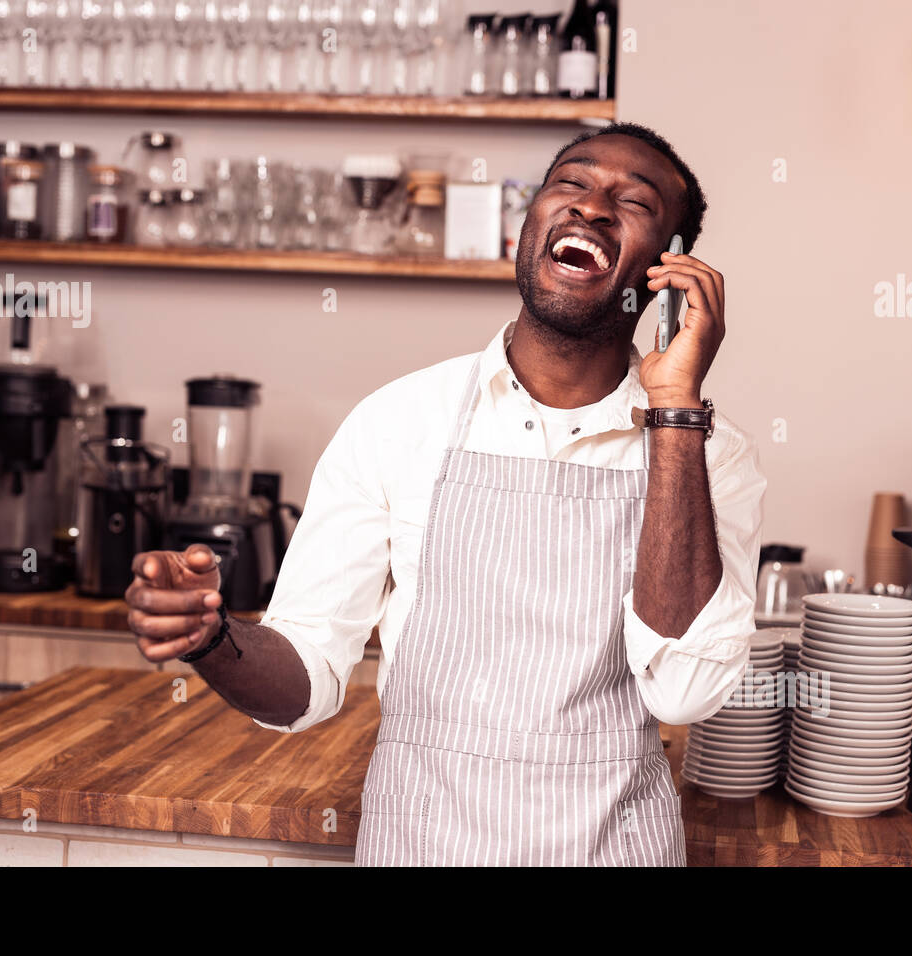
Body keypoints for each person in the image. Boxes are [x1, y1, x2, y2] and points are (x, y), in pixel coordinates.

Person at [125, 121, 767, 866]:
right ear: (525, 227)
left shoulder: (709, 454)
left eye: (633, 201)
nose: (591, 207)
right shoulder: (399, 420)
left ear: (668, 268)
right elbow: (307, 677)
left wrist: (675, 411)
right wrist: (211, 638)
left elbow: (686, 693)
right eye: (571, 183)